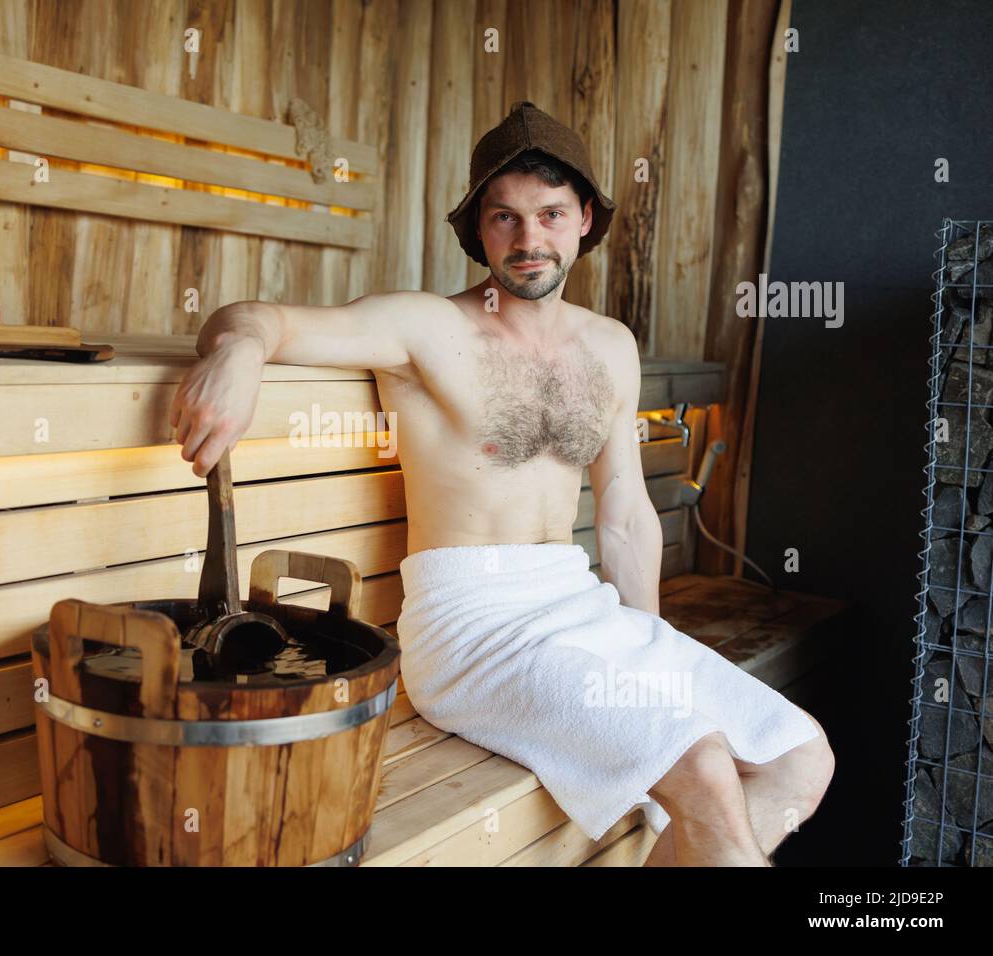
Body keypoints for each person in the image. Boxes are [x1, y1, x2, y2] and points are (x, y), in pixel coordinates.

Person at [169, 101, 834, 866]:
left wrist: (651, 651)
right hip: (473, 631)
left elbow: (623, 512)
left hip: (580, 608)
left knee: (801, 756)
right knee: (704, 766)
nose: (528, 240)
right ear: (478, 230)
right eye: (504, 218)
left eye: (549, 214)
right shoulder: (426, 329)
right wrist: (239, 354)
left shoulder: (609, 346)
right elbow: (253, 317)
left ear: (584, 218)